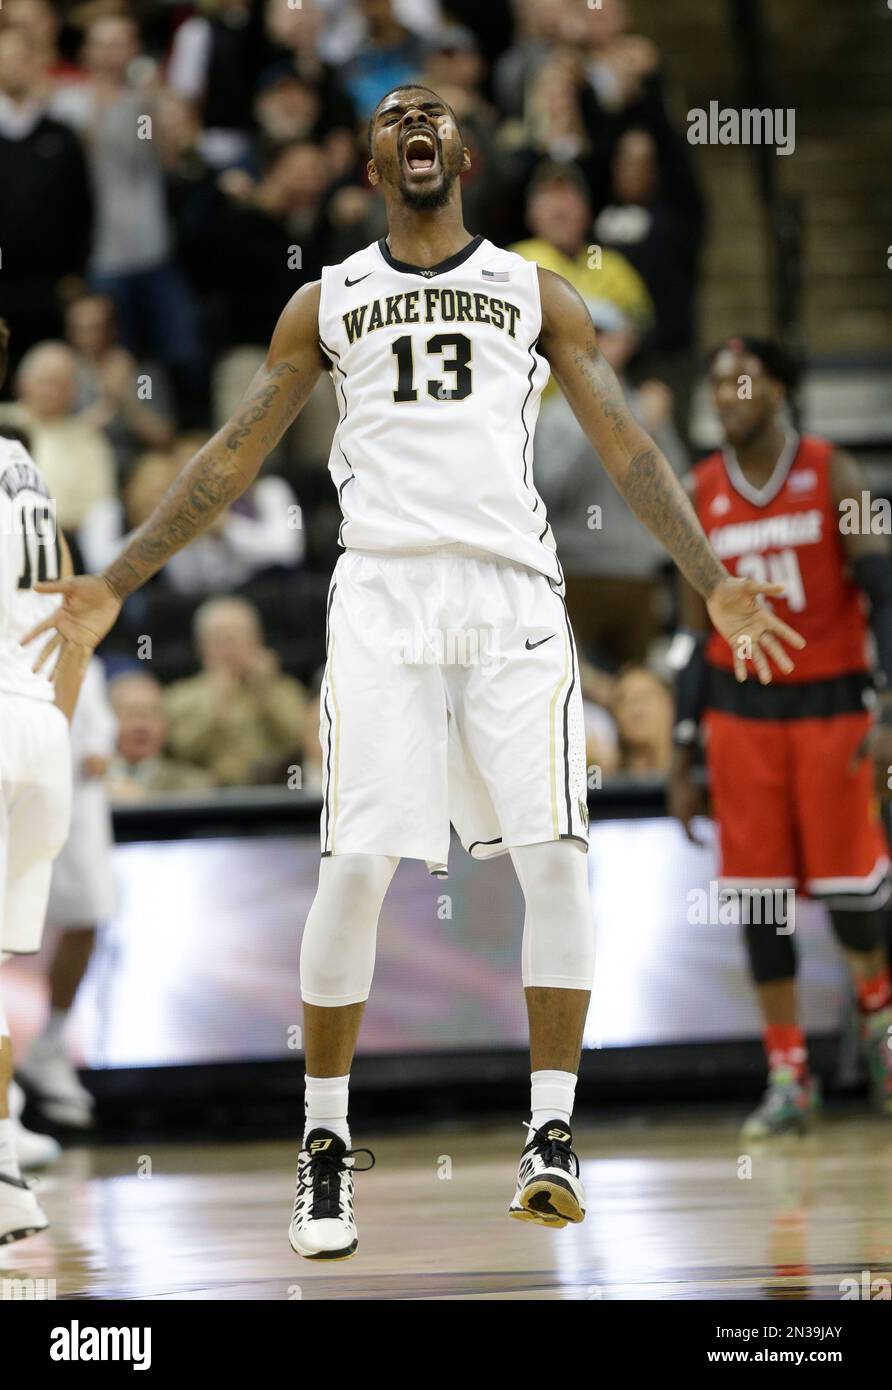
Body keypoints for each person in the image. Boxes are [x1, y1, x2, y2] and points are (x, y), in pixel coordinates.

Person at [28, 86, 803, 1261]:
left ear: (466, 153)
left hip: (511, 594)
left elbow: (626, 444)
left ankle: (551, 1132)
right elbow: (232, 454)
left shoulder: (535, 291)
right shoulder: (326, 298)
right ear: (374, 164)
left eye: (433, 112)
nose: (415, 125)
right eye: (394, 117)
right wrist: (121, 578)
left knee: (556, 857)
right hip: (384, 594)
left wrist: (707, 576)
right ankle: (324, 1140)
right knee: (353, 872)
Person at [668, 338, 892, 1136]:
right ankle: (789, 1075)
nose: (726, 395)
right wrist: (682, 747)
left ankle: (880, 1030)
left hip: (833, 713)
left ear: (780, 390)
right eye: (716, 383)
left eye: (743, 381)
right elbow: (691, 634)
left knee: (853, 901)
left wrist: (888, 705)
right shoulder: (696, 489)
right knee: (761, 906)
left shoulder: (836, 472)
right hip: (741, 721)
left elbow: (884, 592)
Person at [0, 320, 89, 1243]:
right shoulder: (24, 464)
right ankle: (6, 1173)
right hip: (38, 729)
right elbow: (77, 608)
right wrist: (54, 725)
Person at [16, 658, 117, 1131]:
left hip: (76, 807)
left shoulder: (84, 656)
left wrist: (100, 749)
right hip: (13, 800)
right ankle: (6, 1105)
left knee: (88, 914)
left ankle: (49, 1044)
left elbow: (98, 735)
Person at [164, 597, 309, 787]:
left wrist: (265, 695)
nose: (228, 649)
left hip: (276, 791)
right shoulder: (180, 696)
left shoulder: (286, 691)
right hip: (205, 796)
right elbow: (179, 751)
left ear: (257, 641)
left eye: (235, 639)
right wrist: (216, 706)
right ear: (201, 647)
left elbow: (301, 744)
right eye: (219, 640)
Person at [106, 672, 216, 800]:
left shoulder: (196, 786)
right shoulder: (90, 782)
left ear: (166, 724)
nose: (141, 726)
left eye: (152, 714)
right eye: (131, 714)